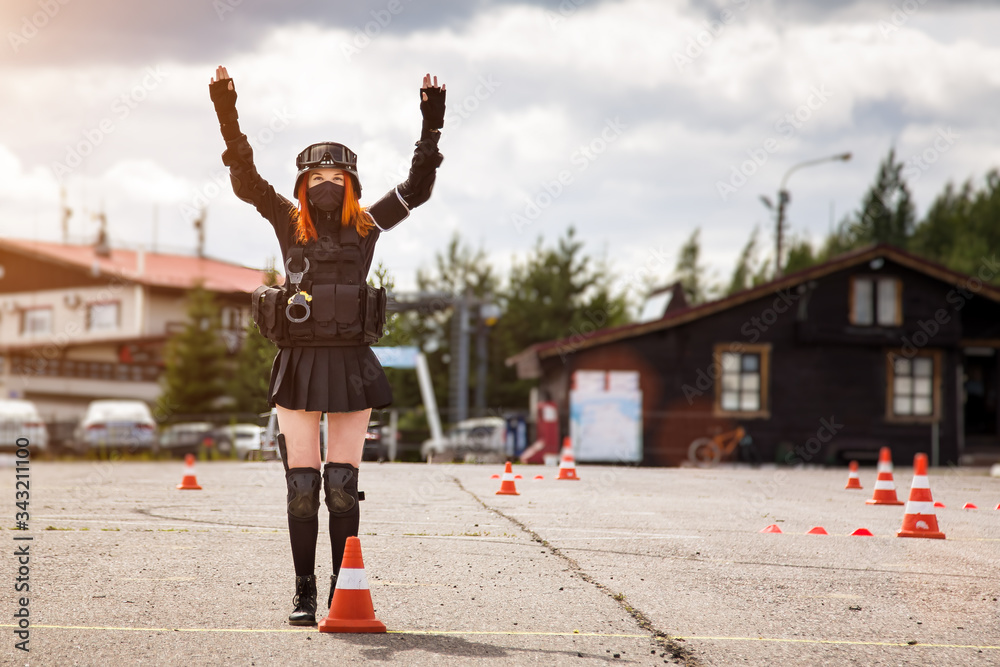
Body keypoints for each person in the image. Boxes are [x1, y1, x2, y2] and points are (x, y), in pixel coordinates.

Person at [208, 65, 445, 625]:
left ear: (352, 186)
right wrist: (226, 111)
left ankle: (345, 587)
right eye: (315, 178)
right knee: (300, 485)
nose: (325, 184)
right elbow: (248, 182)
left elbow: (417, 190)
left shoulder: (366, 226)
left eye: (336, 177)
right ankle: (304, 591)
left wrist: (430, 123)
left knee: (342, 484)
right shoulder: (288, 223)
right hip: (298, 361)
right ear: (301, 186)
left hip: (350, 365)